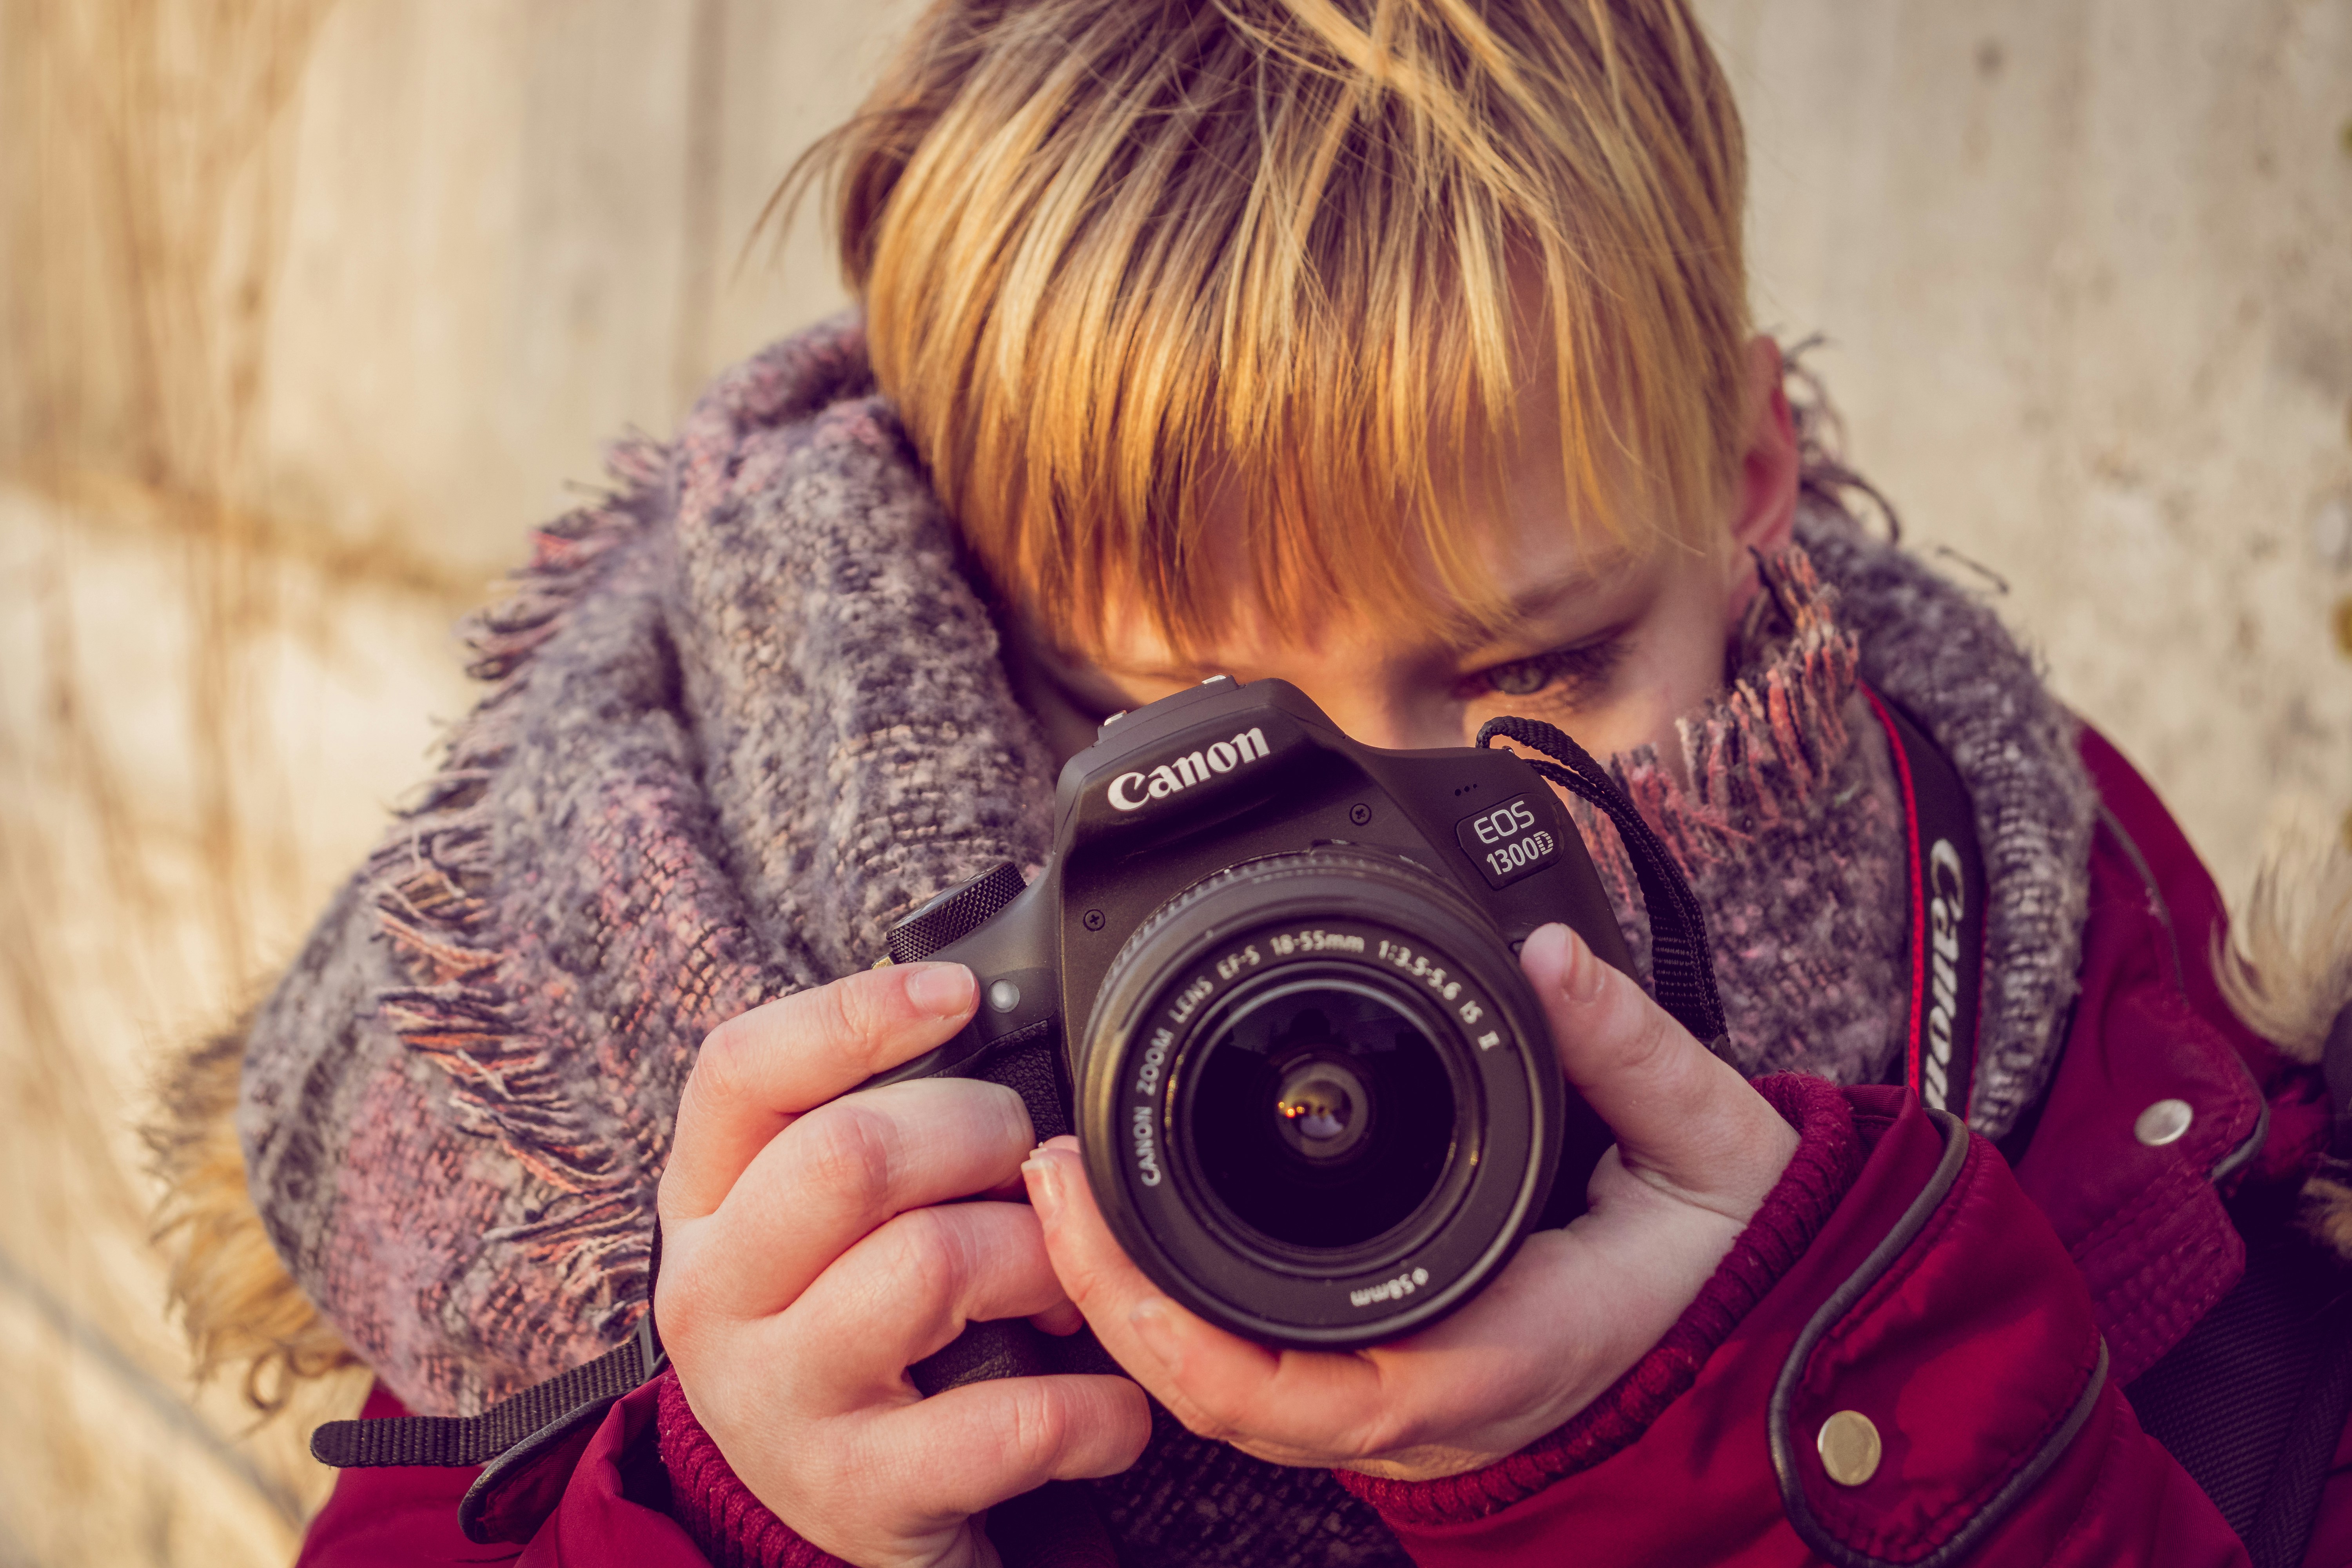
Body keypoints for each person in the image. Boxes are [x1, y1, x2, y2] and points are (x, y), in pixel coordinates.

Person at [160, 1, 2352, 1564]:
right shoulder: (631, 973)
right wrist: (726, 1511)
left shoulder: (2066, 972)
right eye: (1152, 708)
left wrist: (1781, 1414)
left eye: (1536, 671)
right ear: (944, 584)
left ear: (1752, 475)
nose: (1369, 849)